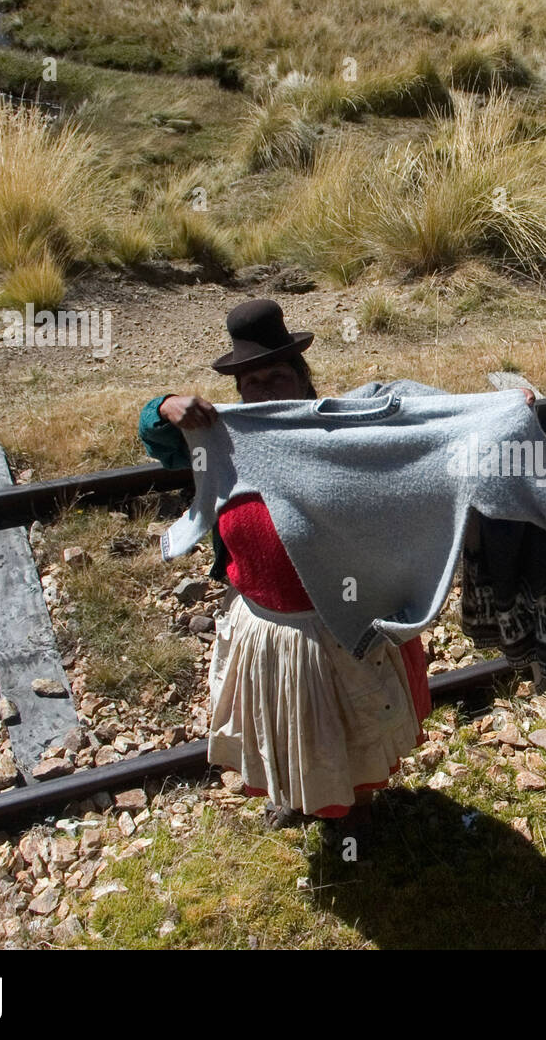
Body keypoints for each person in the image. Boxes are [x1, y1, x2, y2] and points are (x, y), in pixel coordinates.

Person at [138, 299, 444, 842]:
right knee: (282, 727)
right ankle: (297, 793)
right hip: (267, 627)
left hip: (337, 625)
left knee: (349, 732)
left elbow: (424, 415)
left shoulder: (342, 429)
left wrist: (499, 410)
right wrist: (163, 406)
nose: (264, 388)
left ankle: (350, 812)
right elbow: (157, 440)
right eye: (251, 380)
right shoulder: (222, 439)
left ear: (304, 378)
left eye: (277, 374)